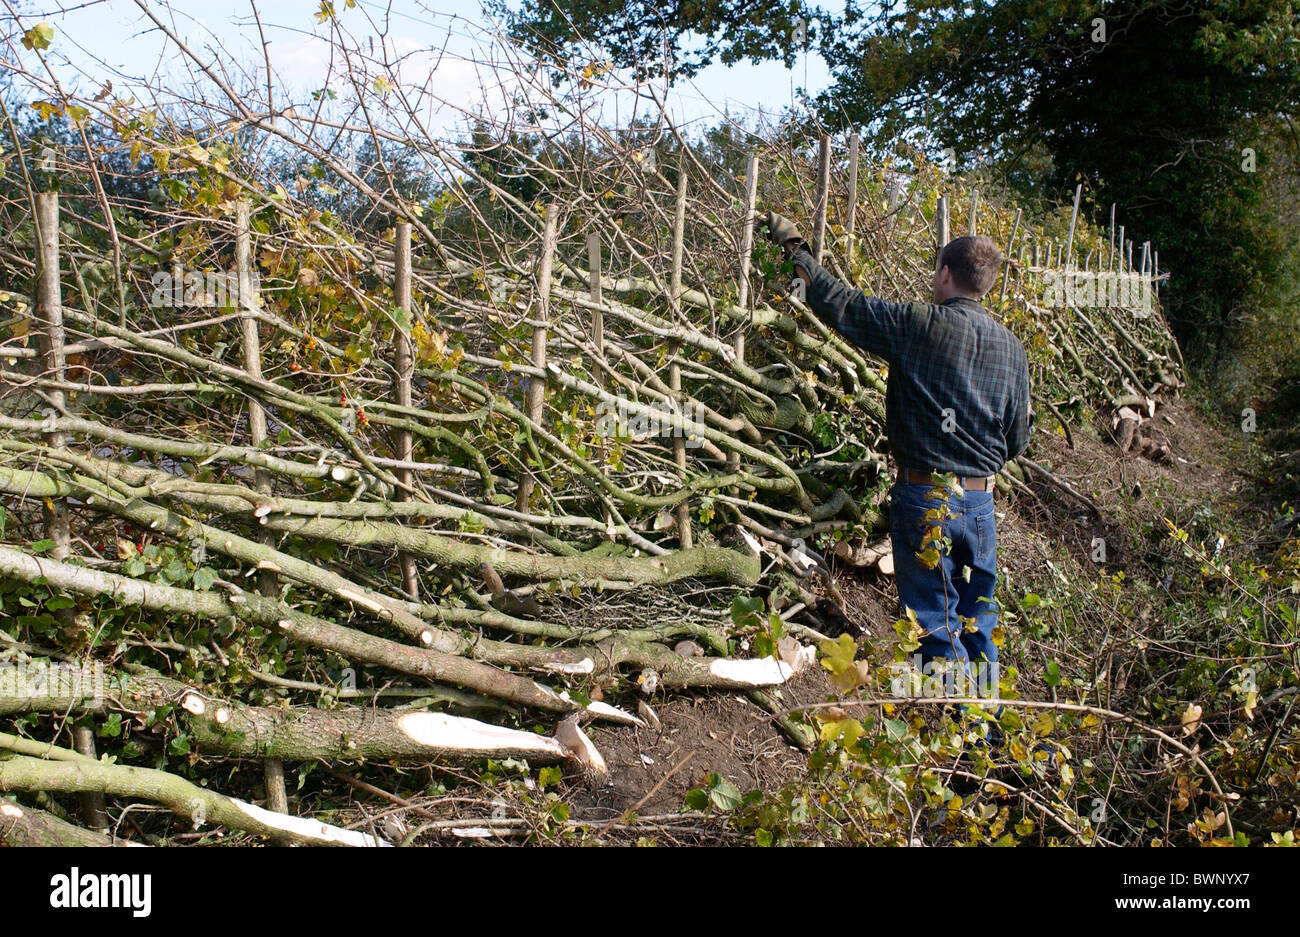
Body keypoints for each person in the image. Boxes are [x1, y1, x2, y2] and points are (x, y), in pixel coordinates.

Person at [758, 211, 1033, 700]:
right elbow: (1017, 438)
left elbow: (843, 305)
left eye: (935, 270)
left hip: (926, 496)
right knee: (978, 623)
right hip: (981, 505)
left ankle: (956, 744)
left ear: (946, 274)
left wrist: (795, 249)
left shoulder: (918, 325)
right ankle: (987, 736)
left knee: (934, 625)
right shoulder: (1013, 349)